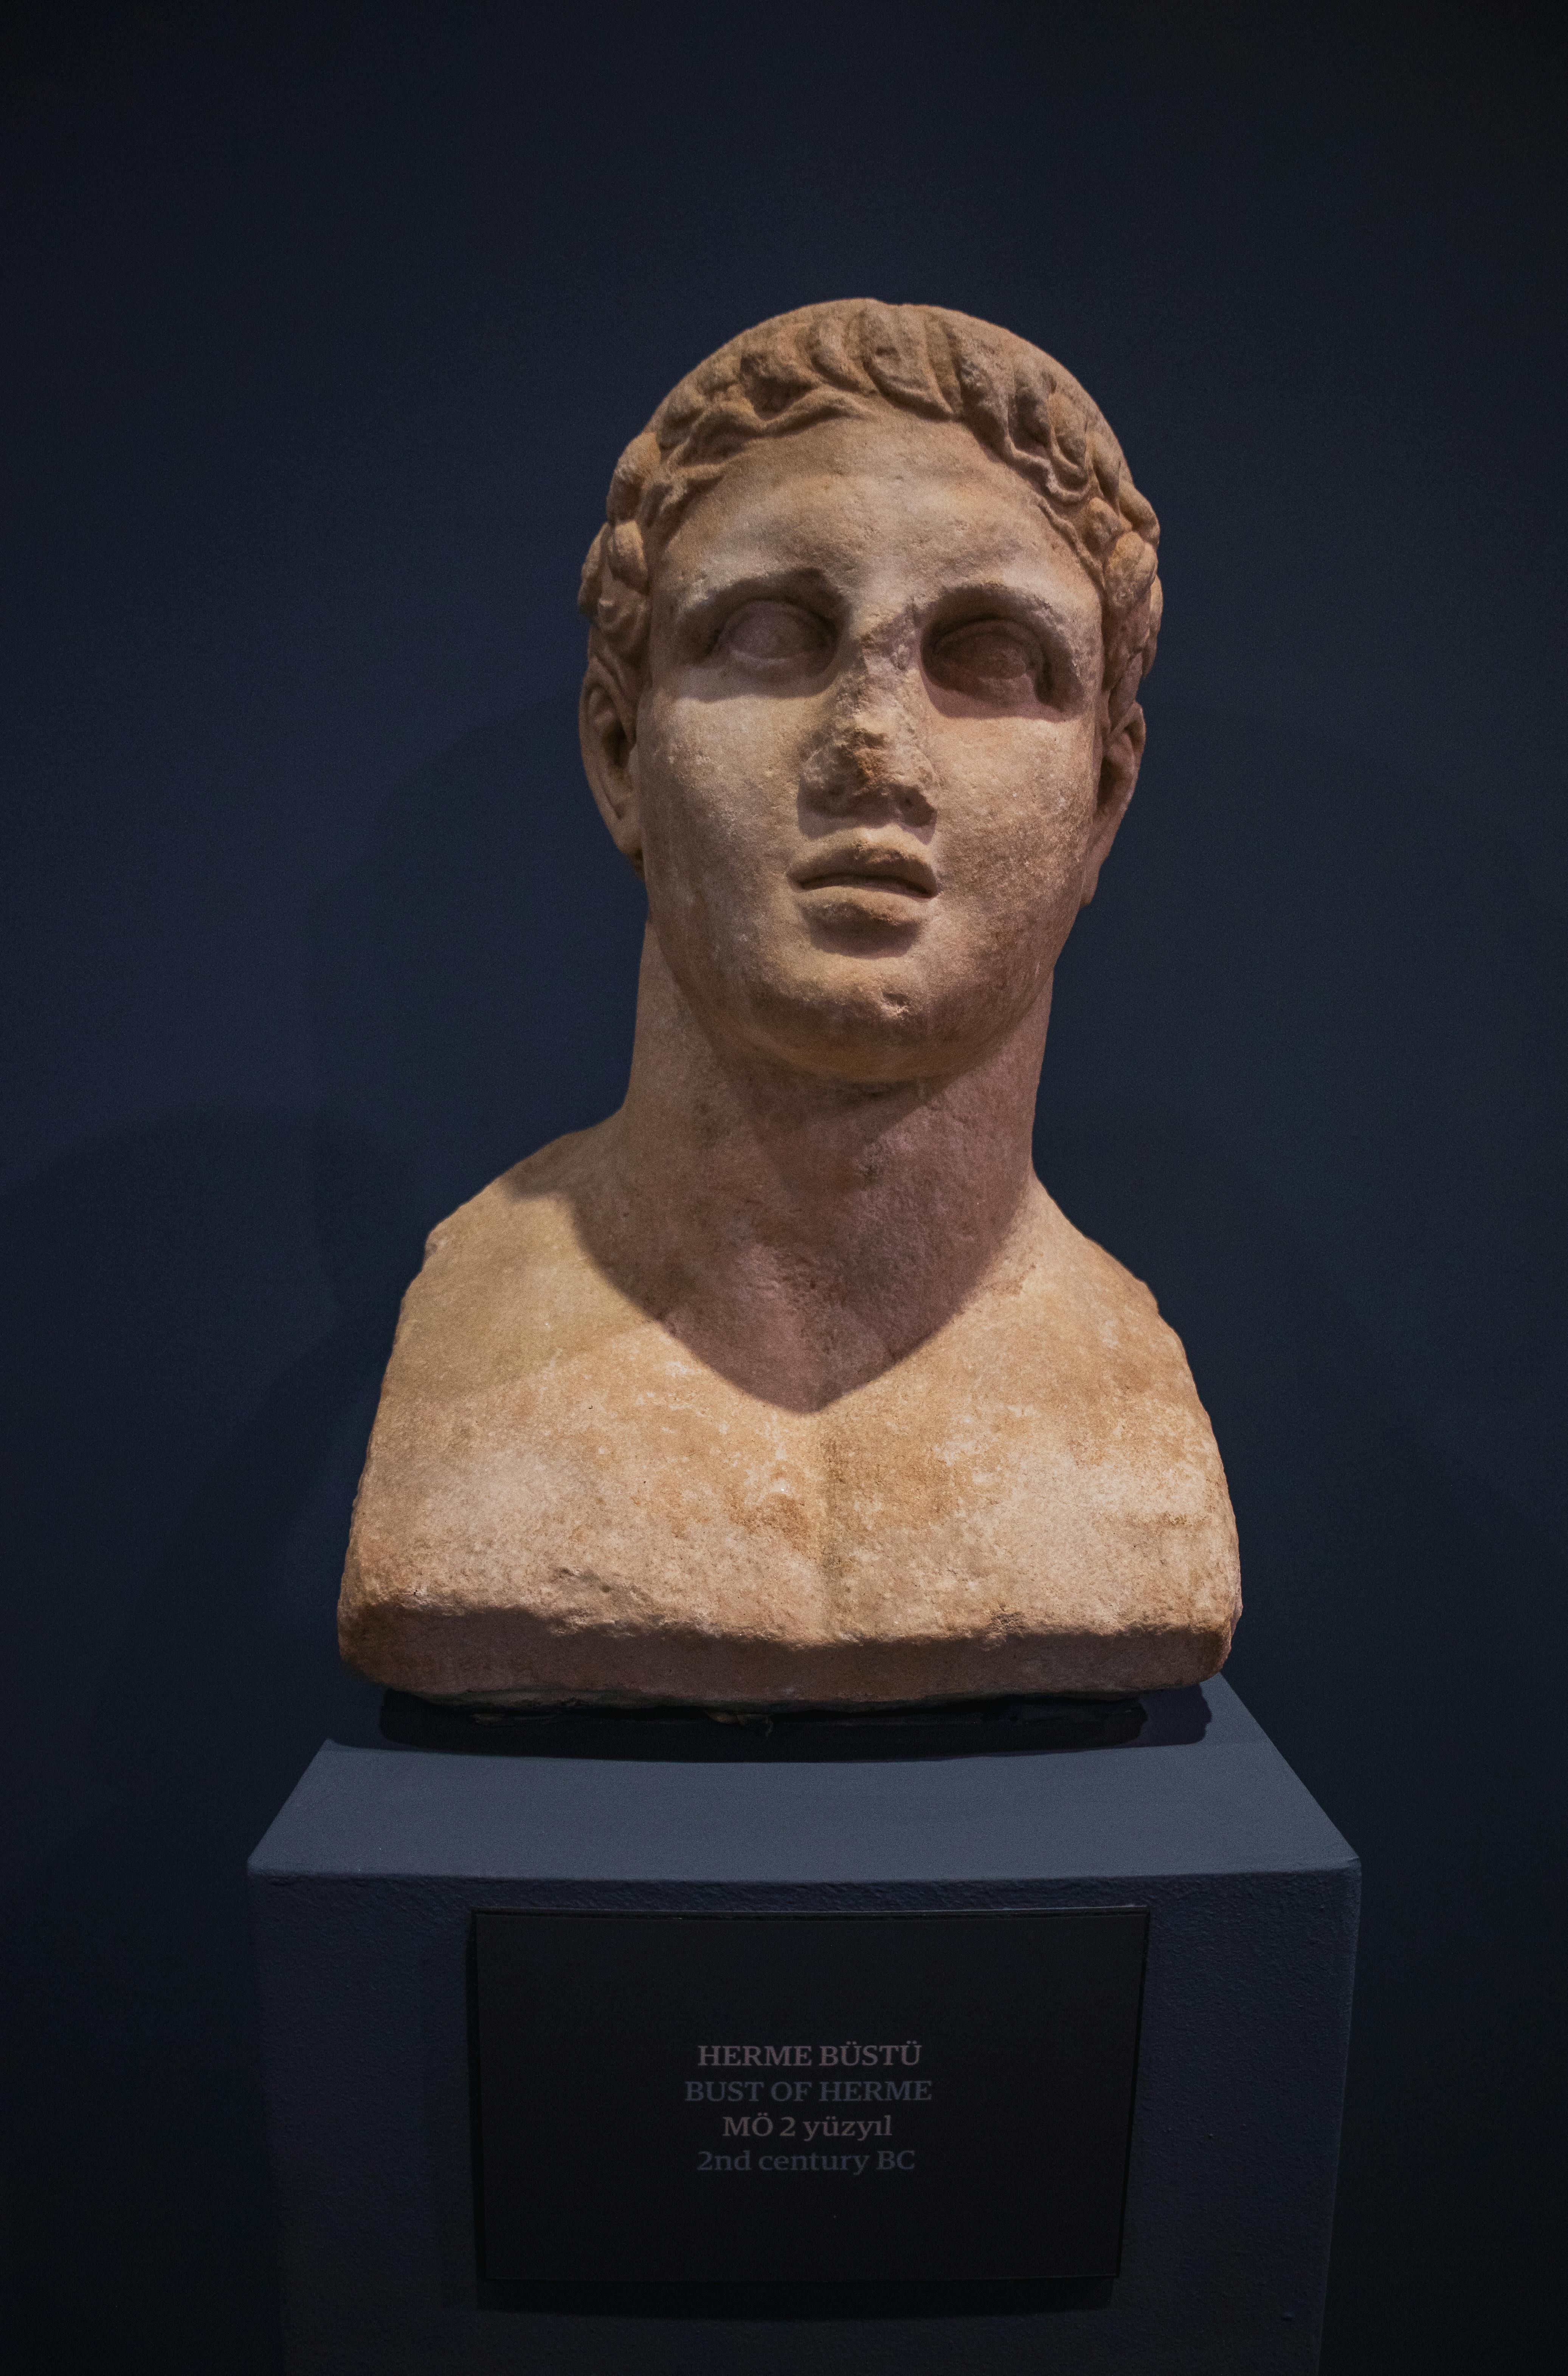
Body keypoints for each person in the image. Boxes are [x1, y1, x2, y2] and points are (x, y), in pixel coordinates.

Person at [338, 300, 1240, 1707]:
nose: (870, 746)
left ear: (1104, 797)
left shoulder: (1130, 1428)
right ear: (622, 748)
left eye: (988, 654)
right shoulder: (468, 1361)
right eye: (773, 635)